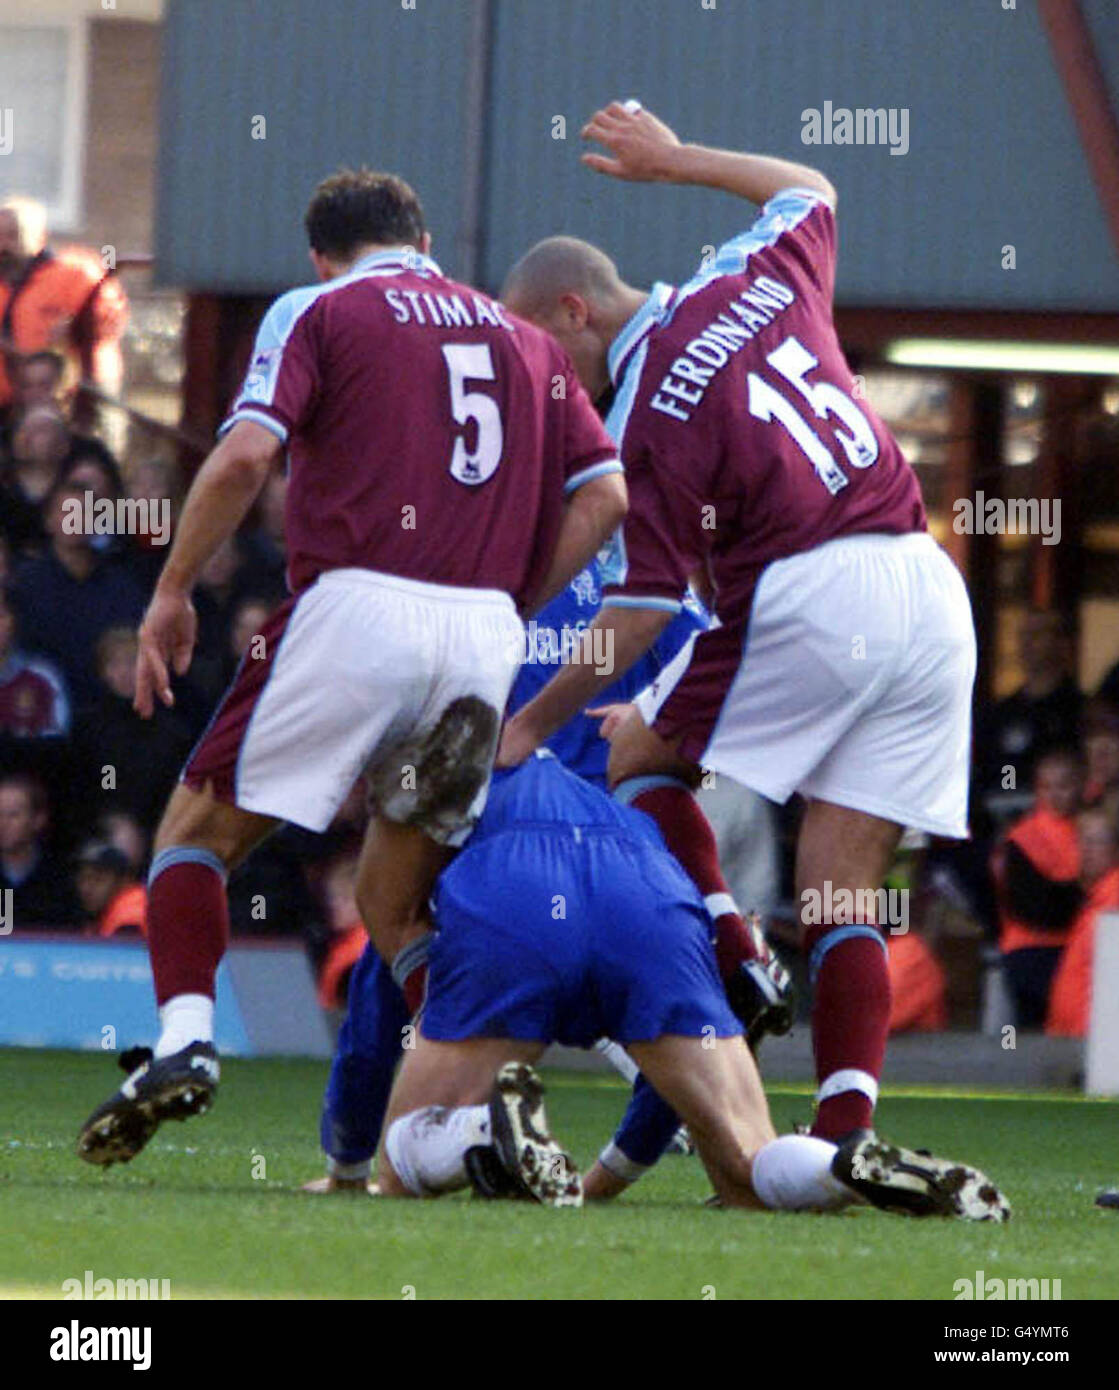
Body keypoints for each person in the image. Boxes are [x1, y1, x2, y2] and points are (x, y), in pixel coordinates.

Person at [75, 166, 625, 1166]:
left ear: (322, 253)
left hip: (358, 607)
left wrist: (172, 590)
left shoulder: (319, 307)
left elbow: (245, 457)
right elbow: (606, 496)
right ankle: (474, 1117)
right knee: (392, 900)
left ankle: (186, 1041)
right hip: (480, 638)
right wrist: (510, 602)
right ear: (420, 238)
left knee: (192, 838)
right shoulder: (529, 339)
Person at [498, 101, 972, 1148]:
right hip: (930, 590)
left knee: (637, 757)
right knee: (843, 892)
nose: (542, 386)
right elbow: (812, 188)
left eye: (539, 356)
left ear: (575, 312)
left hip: (812, 588)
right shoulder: (745, 275)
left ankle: (730, 943)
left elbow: (640, 612)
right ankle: (848, 1138)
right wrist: (674, 163)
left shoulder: (638, 422)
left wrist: (529, 724)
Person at [374, 753, 1008, 1221]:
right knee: (747, 1172)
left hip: (521, 891)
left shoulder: (436, 771)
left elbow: (389, 919)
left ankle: (478, 1135)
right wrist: (600, 1184)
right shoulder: (607, 788)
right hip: (649, 892)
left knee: (400, 1167)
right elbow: (661, 1095)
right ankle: (838, 1168)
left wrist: (350, 1164)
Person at [0, 196, 128, 429]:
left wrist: (79, 327)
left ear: (39, 236)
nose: (3, 245)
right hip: (11, 403)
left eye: (12, 235)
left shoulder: (75, 273)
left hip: (77, 398)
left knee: (88, 458)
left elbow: (112, 318)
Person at [991, 749, 1083, 1028]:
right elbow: (1029, 908)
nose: (1055, 795)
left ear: (1078, 786)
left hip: (1074, 947)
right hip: (1031, 949)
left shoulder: (1087, 831)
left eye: (1063, 785)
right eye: (1047, 787)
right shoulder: (1022, 838)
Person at [1046, 808, 1119, 1038]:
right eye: (1082, 841)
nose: (1086, 850)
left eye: (1097, 843)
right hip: (1075, 1040)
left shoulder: (1114, 900)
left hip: (1095, 1043)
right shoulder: (1094, 900)